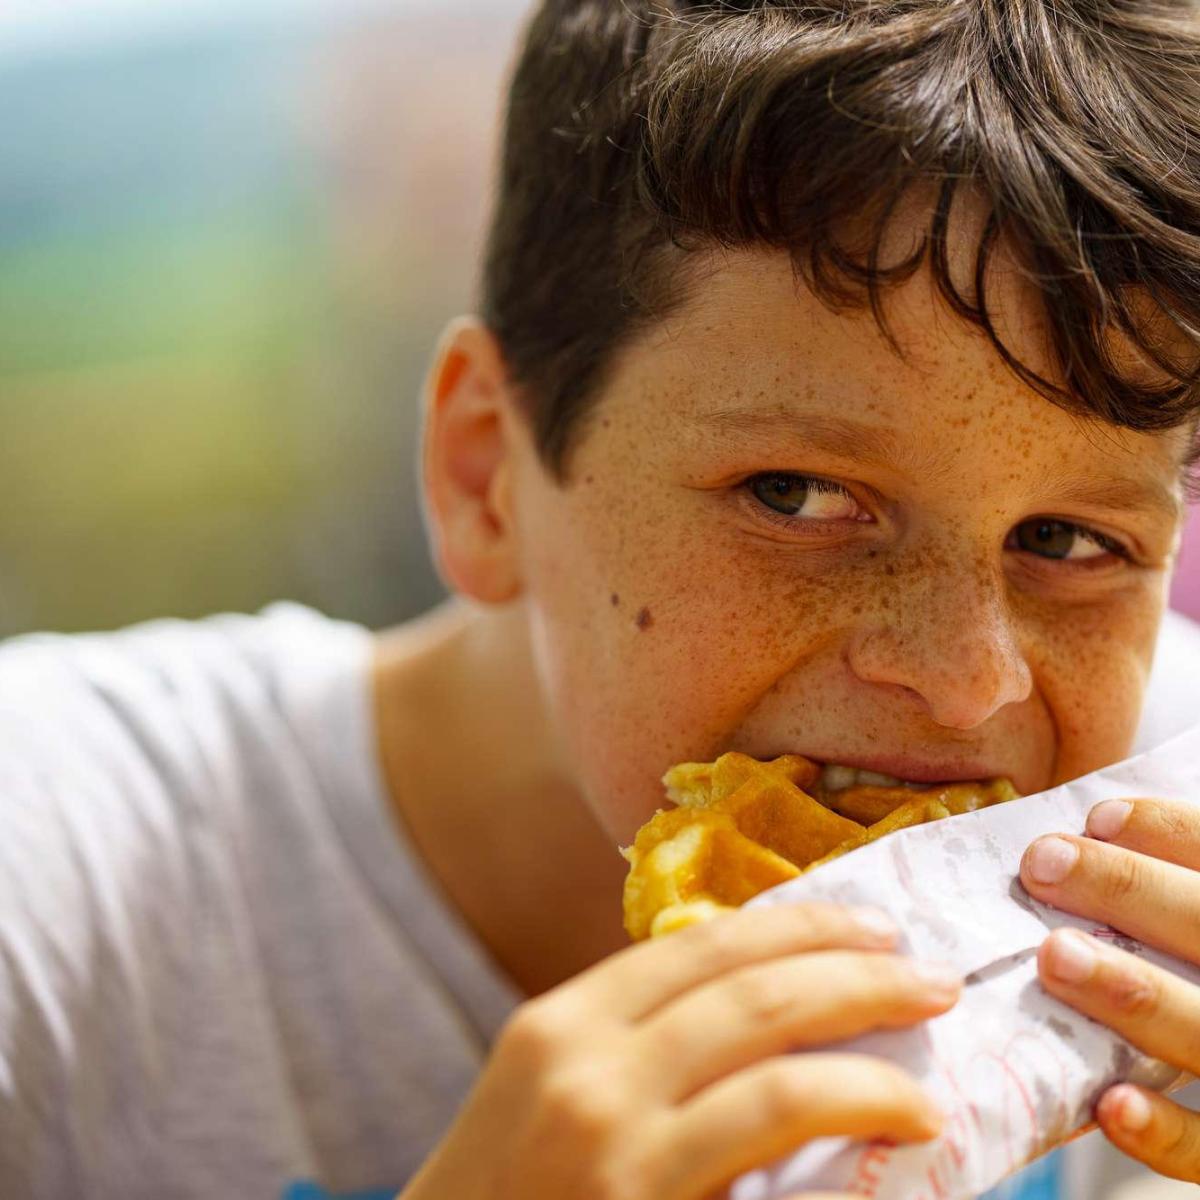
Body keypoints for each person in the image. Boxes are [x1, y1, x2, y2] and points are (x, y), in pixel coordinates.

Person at [3, 1, 1200, 1198]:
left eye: (1068, 538)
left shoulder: (1162, 871)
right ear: (485, 480)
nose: (965, 678)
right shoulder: (56, 889)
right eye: (795, 494)